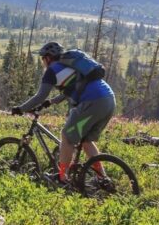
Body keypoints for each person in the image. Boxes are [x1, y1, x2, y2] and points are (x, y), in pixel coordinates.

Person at [11, 41, 115, 186]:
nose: (43, 63)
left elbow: (40, 96)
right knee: (86, 141)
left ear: (47, 58)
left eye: (43, 59)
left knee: (67, 136)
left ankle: (62, 177)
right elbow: (73, 88)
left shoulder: (52, 71)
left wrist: (20, 109)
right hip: (108, 99)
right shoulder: (71, 66)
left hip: (92, 101)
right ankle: (102, 179)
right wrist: (51, 102)